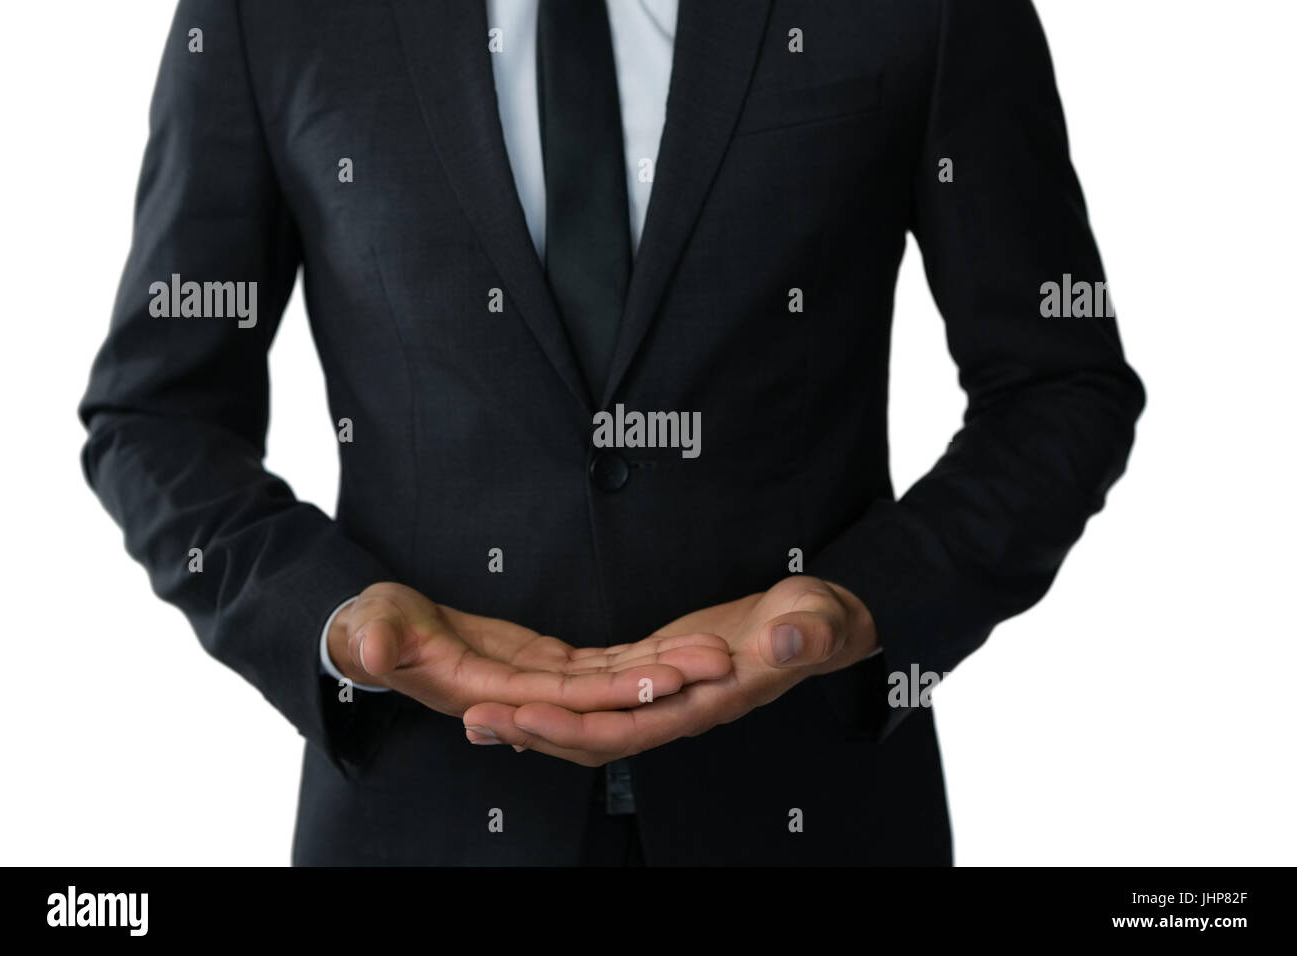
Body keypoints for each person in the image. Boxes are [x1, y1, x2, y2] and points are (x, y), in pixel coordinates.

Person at [79, 0, 1144, 865]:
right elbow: (156, 415)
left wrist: (863, 606)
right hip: (421, 821)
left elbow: (1057, 386)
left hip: (815, 813)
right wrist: (335, 619)